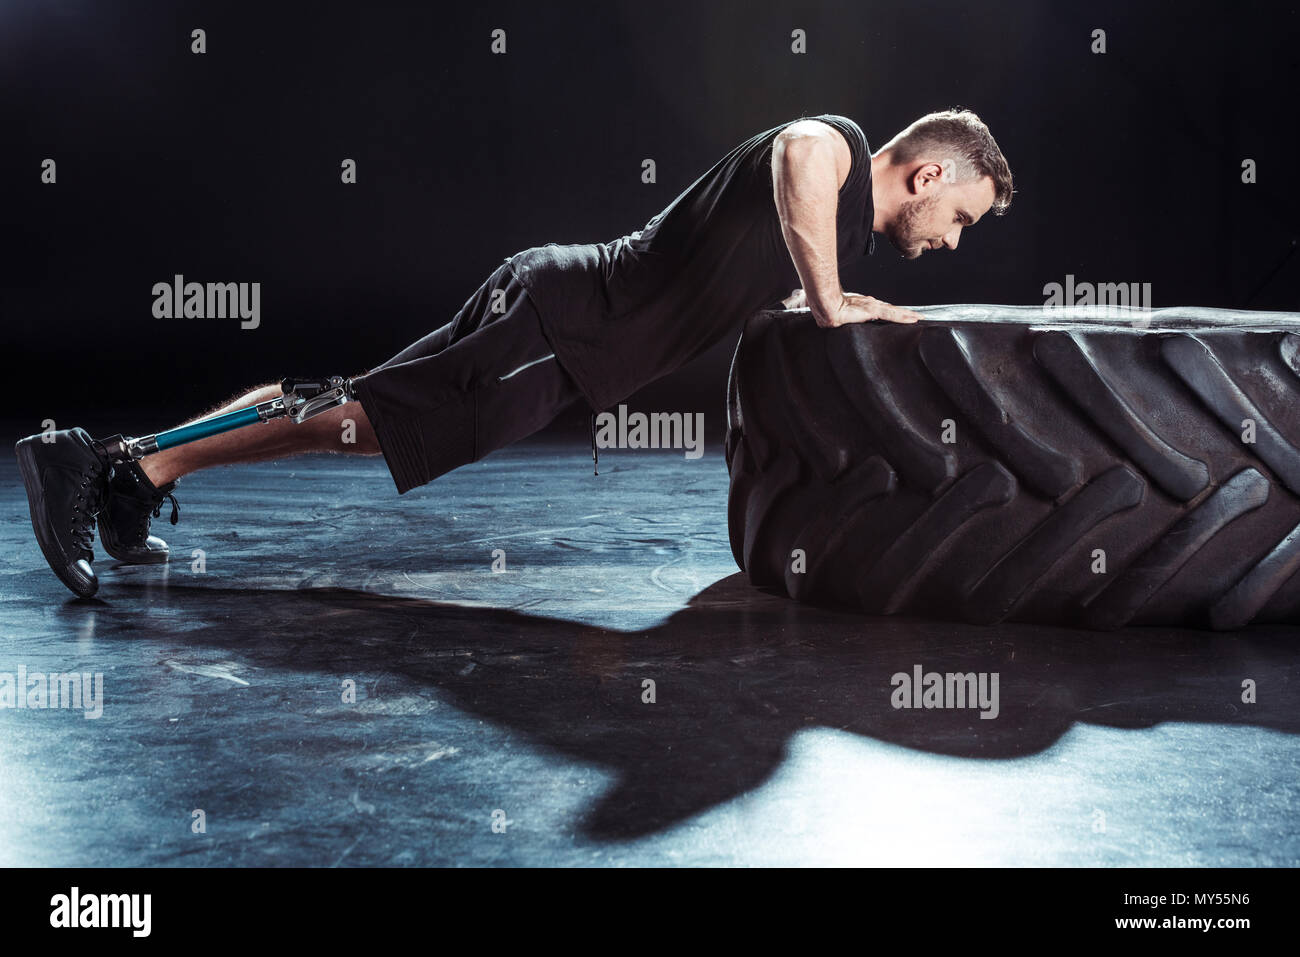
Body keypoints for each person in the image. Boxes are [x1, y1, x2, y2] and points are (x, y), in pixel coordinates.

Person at [16, 109, 1013, 597]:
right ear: (926, 173)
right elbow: (798, 151)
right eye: (961, 216)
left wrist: (835, 296)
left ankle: (136, 474)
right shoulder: (832, 146)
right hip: (560, 330)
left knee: (360, 412)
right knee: (362, 416)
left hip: (554, 328)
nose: (953, 239)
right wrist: (834, 303)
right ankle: (106, 461)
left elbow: (749, 255)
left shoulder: (832, 237)